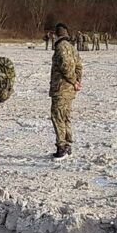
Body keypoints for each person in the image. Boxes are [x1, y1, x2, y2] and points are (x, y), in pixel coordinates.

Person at [49, 22, 82, 159]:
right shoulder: (72, 47)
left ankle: (62, 147)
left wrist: (74, 81)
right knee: (65, 116)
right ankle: (67, 145)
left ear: (56, 34)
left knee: (58, 117)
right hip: (69, 89)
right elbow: (79, 65)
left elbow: (66, 67)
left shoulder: (61, 47)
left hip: (62, 88)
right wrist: (77, 82)